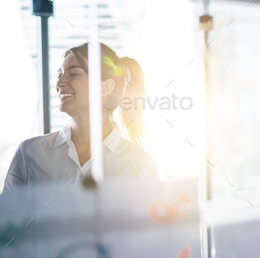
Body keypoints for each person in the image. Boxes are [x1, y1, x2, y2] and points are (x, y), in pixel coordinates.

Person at [3, 43, 158, 192]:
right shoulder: (29, 154)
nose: (59, 83)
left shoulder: (141, 164)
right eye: (59, 75)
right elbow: (7, 217)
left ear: (105, 87)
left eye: (74, 74)